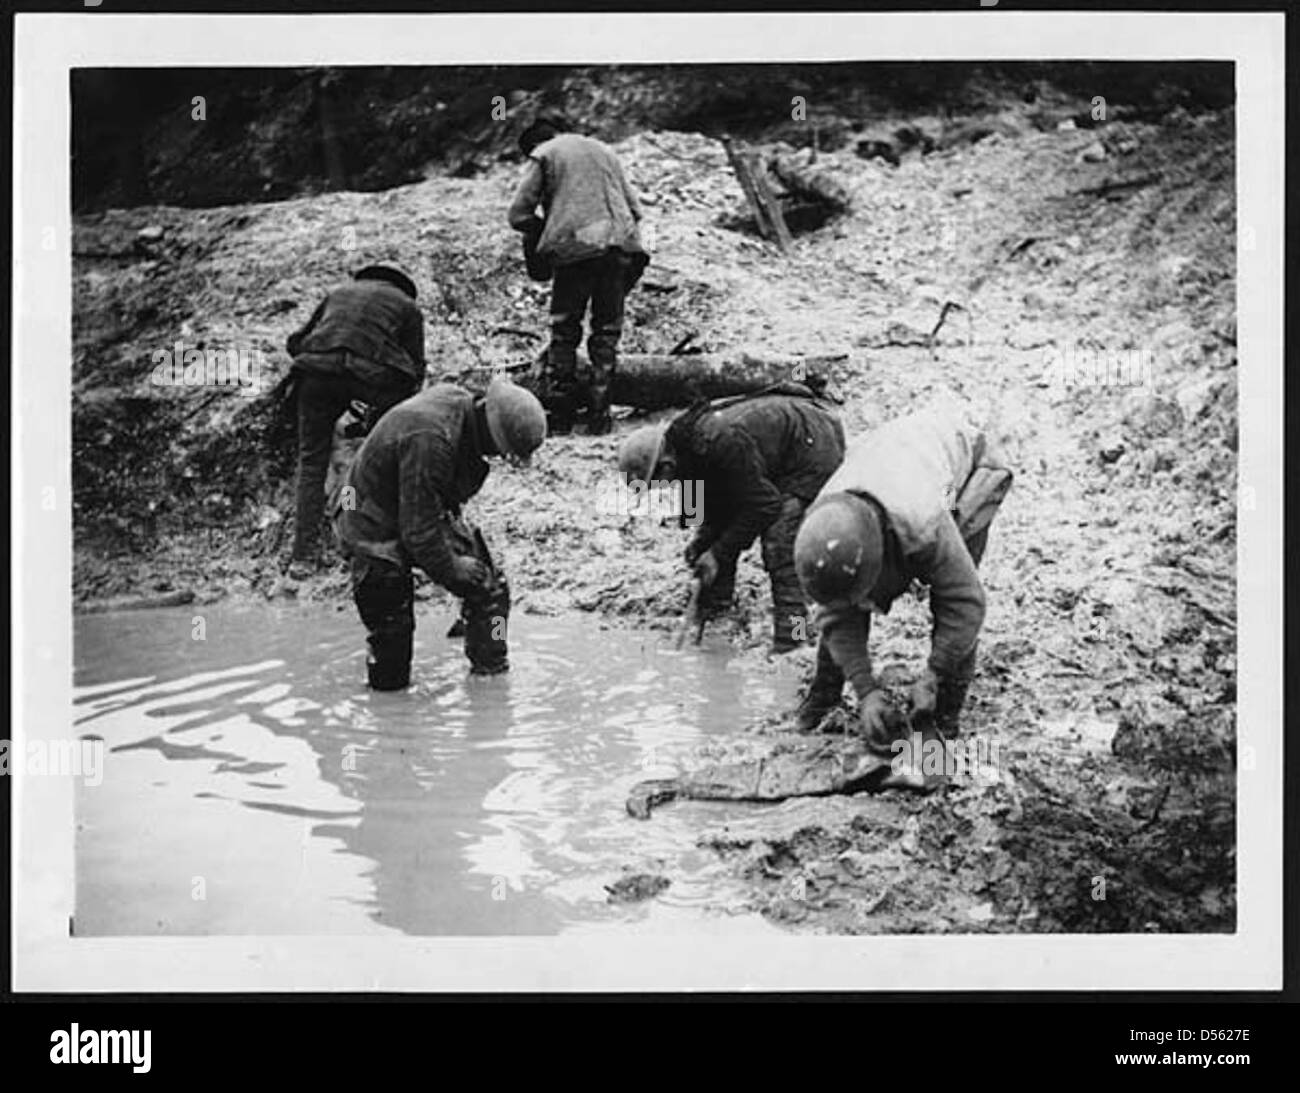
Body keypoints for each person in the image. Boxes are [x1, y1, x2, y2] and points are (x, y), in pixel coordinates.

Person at [792, 400, 1014, 748]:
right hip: (896, 459)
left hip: (970, 463)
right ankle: (823, 698)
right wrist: (866, 690)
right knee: (842, 590)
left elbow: (965, 604)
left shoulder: (924, 523)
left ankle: (943, 720)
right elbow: (836, 610)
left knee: (952, 589)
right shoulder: (825, 521)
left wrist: (933, 675)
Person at [334, 375, 546, 690]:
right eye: (500, 451)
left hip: (414, 503)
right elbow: (419, 533)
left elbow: (430, 506)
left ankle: (491, 669)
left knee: (490, 586)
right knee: (391, 634)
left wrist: (467, 577)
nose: (498, 458)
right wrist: (454, 570)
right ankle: (387, 700)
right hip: (366, 517)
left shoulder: (462, 410)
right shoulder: (430, 438)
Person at [618, 390, 846, 652]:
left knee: (779, 547)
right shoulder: (686, 457)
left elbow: (764, 506)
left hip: (812, 445)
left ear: (666, 465)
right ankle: (717, 618)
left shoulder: (722, 442)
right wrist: (703, 547)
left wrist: (718, 553)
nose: (662, 490)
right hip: (767, 457)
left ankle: (794, 637)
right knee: (712, 546)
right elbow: (713, 516)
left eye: (657, 484)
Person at [507, 114, 646, 435]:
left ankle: (562, 415)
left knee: (565, 328)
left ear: (532, 146)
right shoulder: (604, 150)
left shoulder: (544, 154)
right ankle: (600, 414)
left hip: (577, 248)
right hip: (622, 247)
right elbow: (637, 211)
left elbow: (517, 215)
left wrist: (544, 232)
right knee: (607, 330)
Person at [286, 265, 426, 578]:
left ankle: (302, 559)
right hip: (370, 382)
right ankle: (364, 543)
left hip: (315, 376)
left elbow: (296, 341)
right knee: (376, 457)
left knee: (311, 463)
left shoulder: (338, 292)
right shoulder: (408, 307)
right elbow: (416, 370)